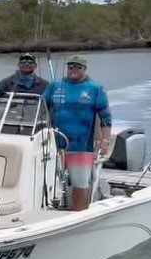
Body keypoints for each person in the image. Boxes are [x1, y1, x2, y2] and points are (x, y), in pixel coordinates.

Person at [43, 54, 112, 211]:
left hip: (81, 146)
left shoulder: (96, 88)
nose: (74, 69)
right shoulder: (55, 85)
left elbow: (105, 116)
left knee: (80, 183)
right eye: (71, 66)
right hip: (55, 145)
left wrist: (105, 141)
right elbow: (41, 107)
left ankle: (79, 212)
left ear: (84, 69)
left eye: (78, 67)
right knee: (50, 181)